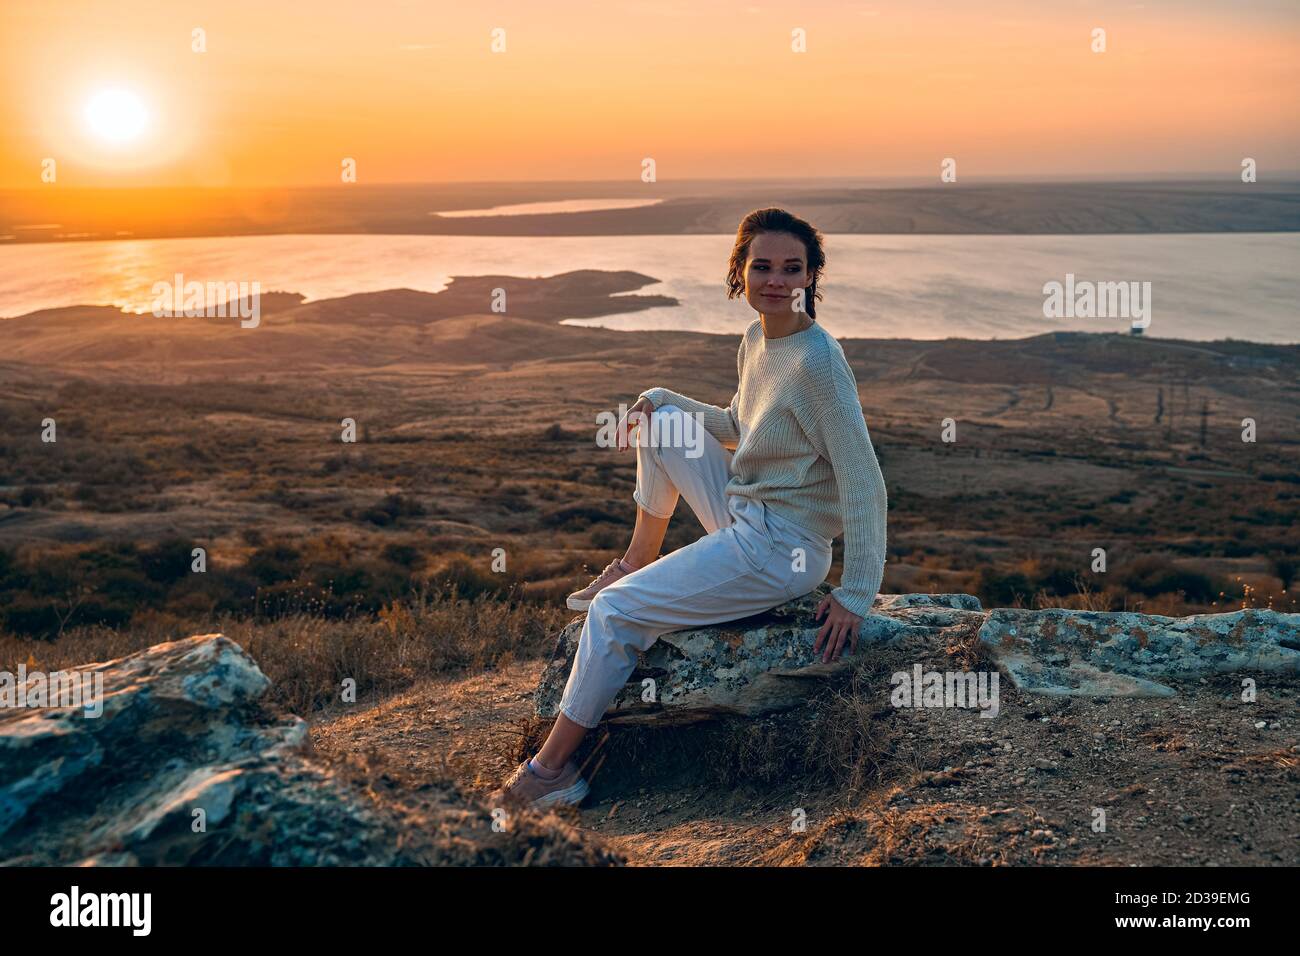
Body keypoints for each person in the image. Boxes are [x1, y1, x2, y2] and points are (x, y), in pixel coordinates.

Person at [490, 208, 888, 809]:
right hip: (747, 514)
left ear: (810, 278)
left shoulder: (819, 363)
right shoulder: (757, 340)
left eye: (792, 268)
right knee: (664, 422)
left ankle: (552, 772)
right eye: (763, 266)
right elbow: (735, 426)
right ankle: (634, 559)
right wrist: (658, 399)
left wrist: (856, 592)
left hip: (782, 549)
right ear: (740, 272)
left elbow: (865, 482)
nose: (776, 280)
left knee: (616, 614)